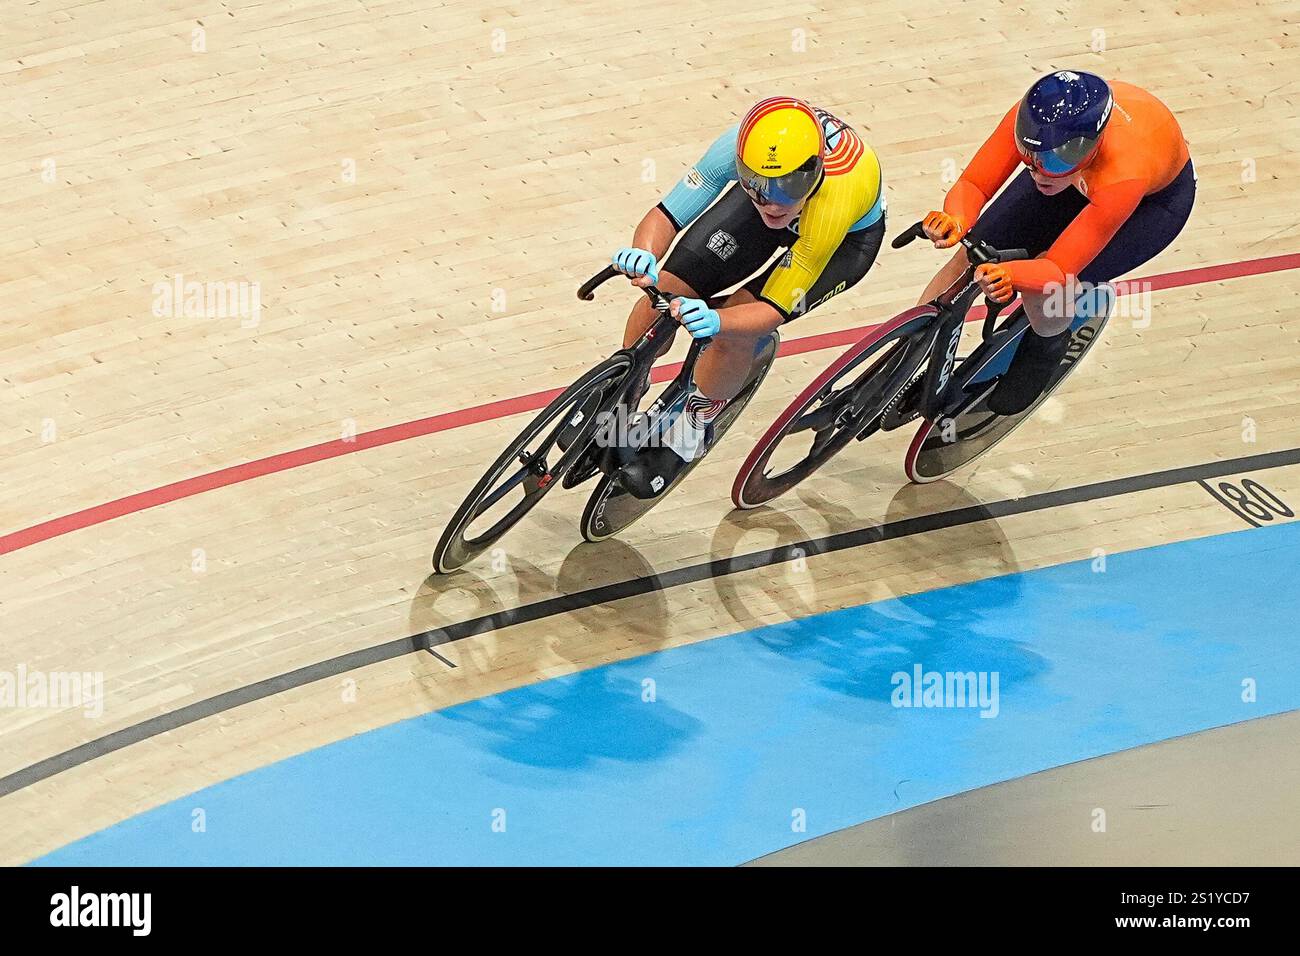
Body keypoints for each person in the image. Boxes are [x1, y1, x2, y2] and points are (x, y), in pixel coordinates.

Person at [603, 96, 886, 497]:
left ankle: (693, 427)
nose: (771, 201)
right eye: (754, 185)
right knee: (664, 291)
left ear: (812, 171)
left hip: (841, 243)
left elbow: (770, 310)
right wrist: (644, 253)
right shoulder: (744, 156)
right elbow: (667, 214)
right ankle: (623, 391)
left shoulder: (836, 197)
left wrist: (717, 322)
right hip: (783, 205)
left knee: (735, 328)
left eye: (787, 187)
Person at [916, 70, 1195, 414]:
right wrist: (956, 219)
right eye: (1030, 159)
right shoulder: (1036, 129)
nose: (1038, 172)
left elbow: (1056, 269)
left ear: (1089, 147)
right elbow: (974, 184)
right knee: (970, 256)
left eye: (1054, 161)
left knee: (1045, 285)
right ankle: (900, 357)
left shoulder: (1124, 172)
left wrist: (1010, 276)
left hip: (1148, 208)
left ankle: (1048, 344)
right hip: (1078, 178)